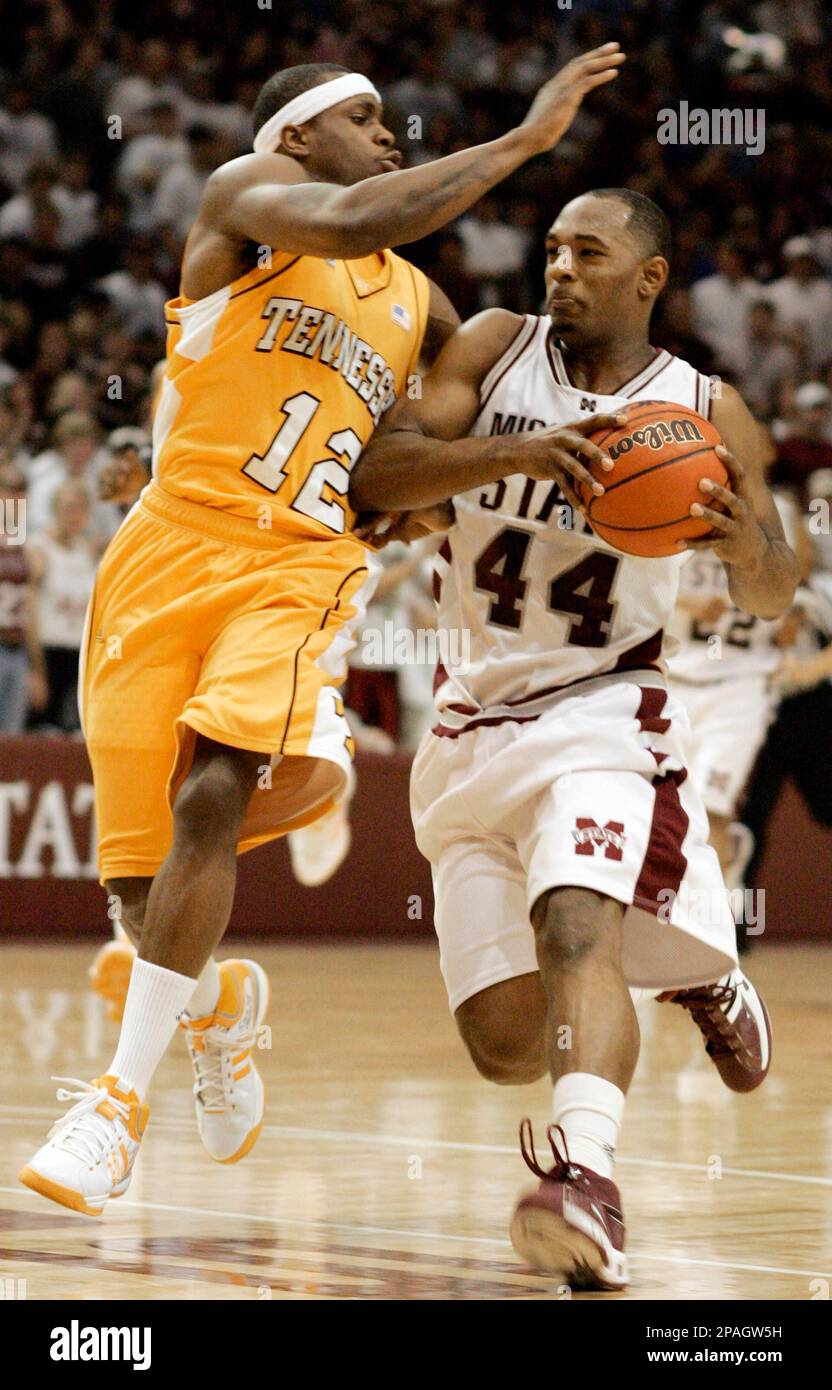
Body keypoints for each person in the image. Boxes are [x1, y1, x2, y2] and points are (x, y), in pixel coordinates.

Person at [20, 45, 627, 1217]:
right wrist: (519, 144)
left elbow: (399, 469)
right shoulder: (242, 203)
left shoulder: (423, 307)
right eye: (362, 117)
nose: (389, 132)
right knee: (142, 901)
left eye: (391, 118)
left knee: (216, 792)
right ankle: (219, 1016)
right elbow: (350, 221)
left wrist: (447, 480)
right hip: (158, 555)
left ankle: (116, 1108)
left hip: (293, 566)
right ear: (292, 137)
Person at [351, 188, 798, 1289]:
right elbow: (378, 475)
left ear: (647, 278)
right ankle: (696, 960)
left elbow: (778, 586)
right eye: (551, 248)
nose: (559, 267)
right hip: (466, 725)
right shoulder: (495, 351)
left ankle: (584, 1177)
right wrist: (518, 458)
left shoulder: (705, 408)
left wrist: (745, 544)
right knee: (506, 1041)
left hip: (603, 707)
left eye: (587, 252)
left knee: (573, 928)